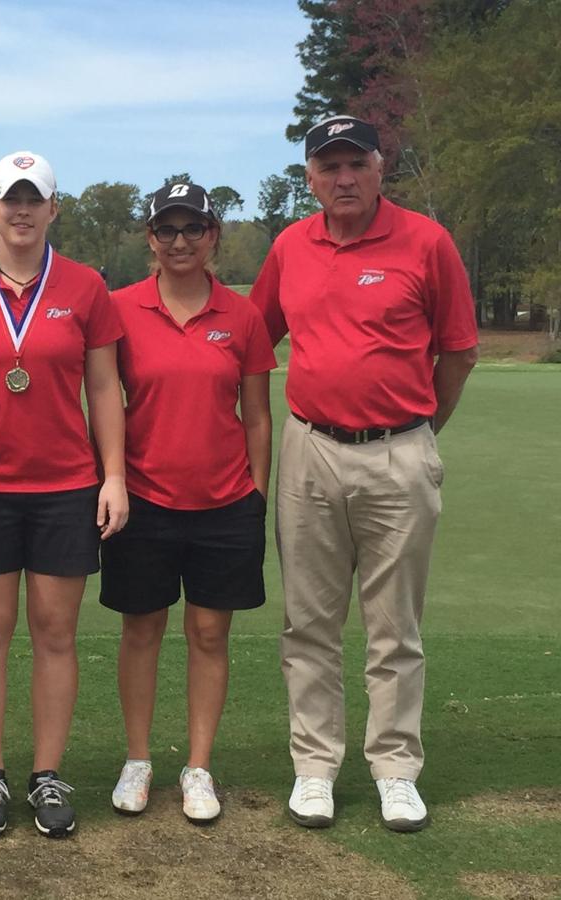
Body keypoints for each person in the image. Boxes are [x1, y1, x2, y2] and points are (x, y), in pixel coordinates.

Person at [251, 115, 479, 832]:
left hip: (399, 451)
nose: (343, 178)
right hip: (310, 449)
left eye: (357, 164)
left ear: (382, 169)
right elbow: (253, 337)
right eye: (329, 167)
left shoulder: (426, 242)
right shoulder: (291, 246)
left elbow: (459, 351)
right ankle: (314, 767)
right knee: (308, 623)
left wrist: (413, 433)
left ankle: (394, 768)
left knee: (394, 626)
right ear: (311, 178)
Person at [0, 151, 128, 838]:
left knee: (55, 635)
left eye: (34, 199)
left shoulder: (85, 287)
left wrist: (114, 475)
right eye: (8, 198)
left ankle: (47, 774)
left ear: (54, 209)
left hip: (65, 486)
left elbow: (104, 386)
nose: (21, 211)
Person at [101, 182, 275, 823]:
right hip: (142, 499)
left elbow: (257, 415)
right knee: (141, 630)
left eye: (192, 229)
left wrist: (256, 488)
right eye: (166, 230)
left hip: (226, 502)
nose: (179, 242)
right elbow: (104, 401)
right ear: (150, 238)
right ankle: (139, 760)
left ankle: (198, 767)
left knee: (209, 633)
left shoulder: (243, 315)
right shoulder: (119, 310)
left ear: (212, 237)